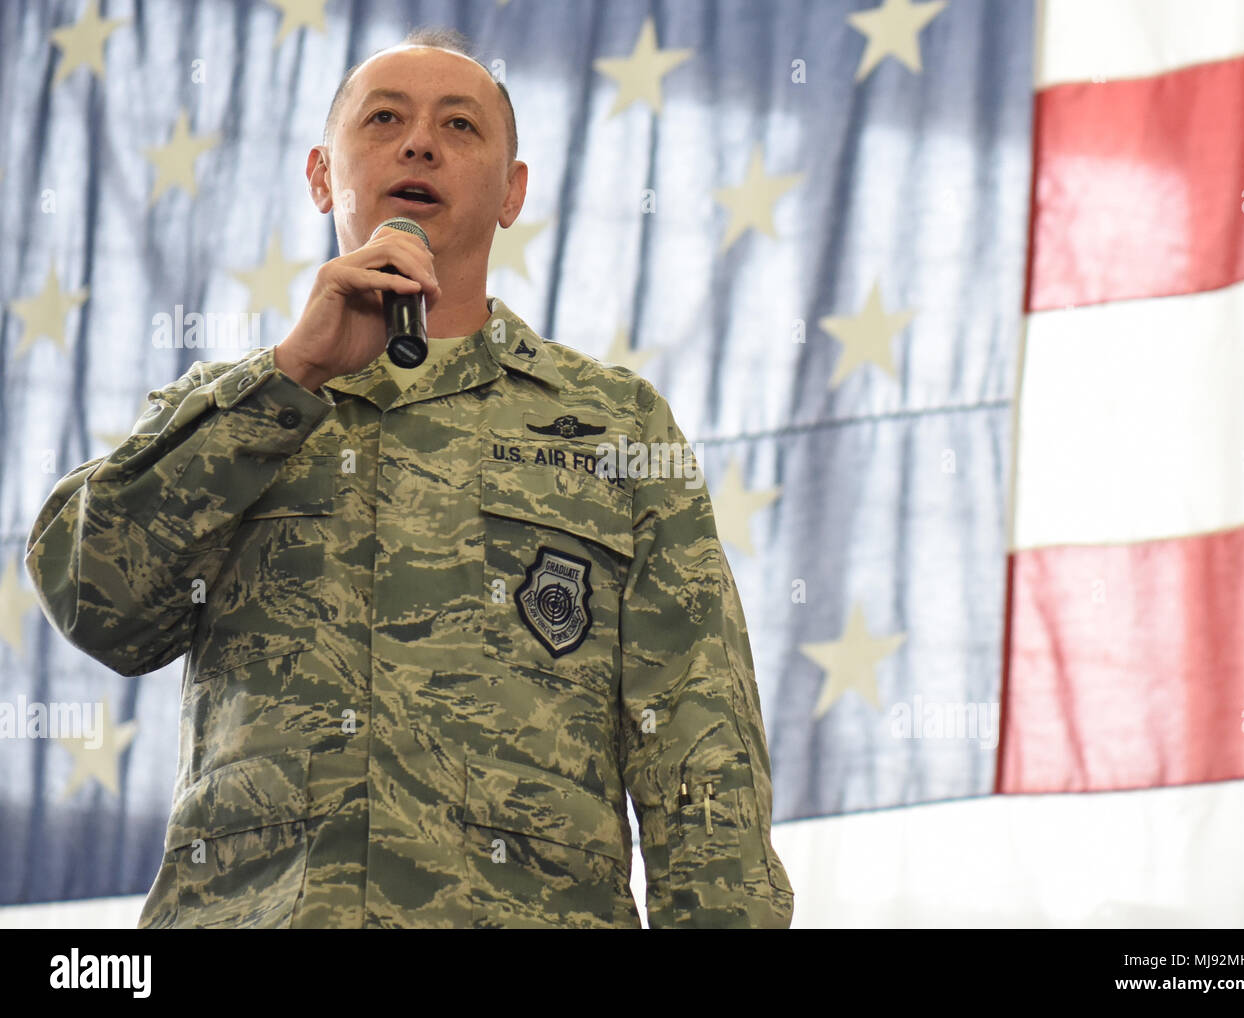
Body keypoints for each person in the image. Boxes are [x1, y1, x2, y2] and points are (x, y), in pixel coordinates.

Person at [24, 26, 793, 929]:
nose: (419, 142)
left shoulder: (615, 424)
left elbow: (702, 746)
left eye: (460, 126)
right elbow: (94, 600)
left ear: (512, 195)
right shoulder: (229, 405)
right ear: (321, 175)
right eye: (383, 118)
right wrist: (290, 376)